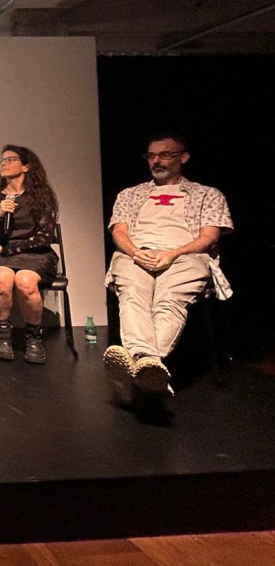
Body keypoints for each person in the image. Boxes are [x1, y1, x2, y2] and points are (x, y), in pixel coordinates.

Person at [103, 133, 232, 403]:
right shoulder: (131, 194)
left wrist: (173, 254)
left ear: (183, 157)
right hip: (136, 254)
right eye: (151, 156)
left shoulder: (207, 194)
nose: (156, 161)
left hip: (186, 256)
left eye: (165, 155)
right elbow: (119, 232)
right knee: (133, 296)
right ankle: (147, 365)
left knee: (168, 301)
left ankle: (139, 363)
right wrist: (137, 252)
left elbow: (209, 237)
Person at [0, 145, 59, 364]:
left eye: (10, 159)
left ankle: (34, 337)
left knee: (25, 282)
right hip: (1, 256)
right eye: (1, 160)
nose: (3, 163)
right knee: (2, 280)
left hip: (37, 254)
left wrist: (9, 249)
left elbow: (44, 238)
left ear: (26, 166)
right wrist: (0, 216)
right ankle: (3, 336)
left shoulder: (42, 197)